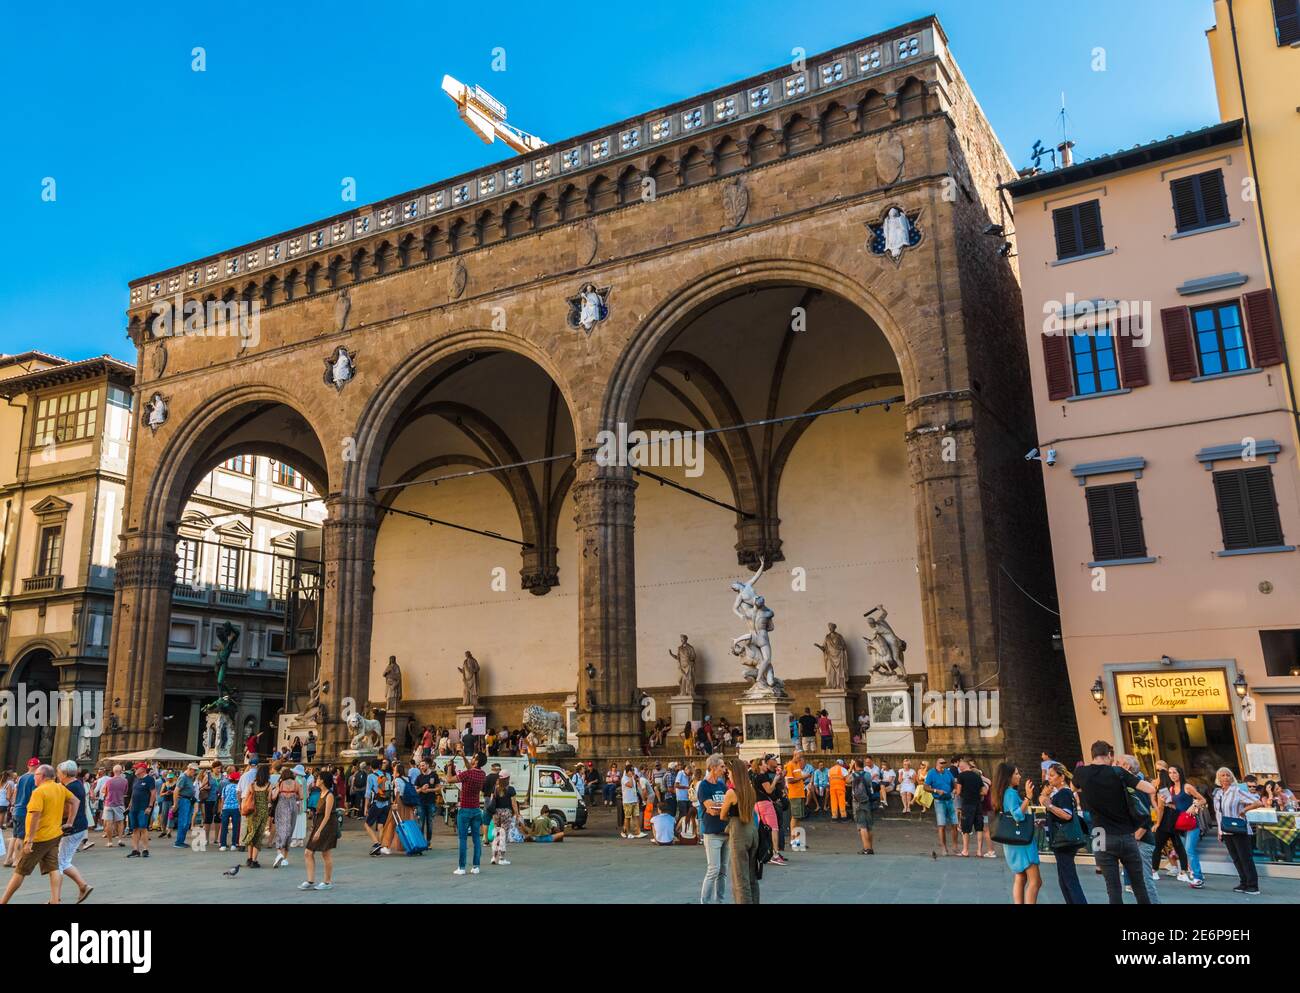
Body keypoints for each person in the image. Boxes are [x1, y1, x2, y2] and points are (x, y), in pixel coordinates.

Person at [1072, 740, 1157, 904]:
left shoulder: (1081, 773)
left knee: (1113, 888)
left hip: (1100, 834)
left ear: (1093, 755)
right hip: (1125, 833)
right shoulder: (1118, 772)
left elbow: (1074, 787)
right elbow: (1150, 789)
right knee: (1139, 885)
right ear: (1109, 754)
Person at [0, 764, 78, 905]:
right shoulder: (59, 787)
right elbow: (75, 801)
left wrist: (29, 840)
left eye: (35, 775)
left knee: (20, 870)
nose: (33, 777)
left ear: (42, 776)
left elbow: (35, 816)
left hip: (39, 837)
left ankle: (3, 901)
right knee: (53, 868)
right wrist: (70, 822)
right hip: (55, 834)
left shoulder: (39, 792)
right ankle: (55, 900)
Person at [992, 762, 1040, 904]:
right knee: (1035, 881)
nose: (1019, 776)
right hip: (1022, 842)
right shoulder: (1010, 793)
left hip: (1012, 841)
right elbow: (1017, 815)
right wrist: (1028, 798)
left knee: (1020, 877)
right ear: (1008, 777)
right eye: (1016, 774)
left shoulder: (1003, 793)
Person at [1040, 762, 1086, 904]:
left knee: (1069, 879)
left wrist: (1049, 805)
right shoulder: (1060, 793)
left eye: (1052, 775)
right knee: (1064, 880)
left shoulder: (1064, 793)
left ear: (1061, 777)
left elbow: (1067, 815)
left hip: (1065, 841)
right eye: (1049, 775)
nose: (1049, 778)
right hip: (1061, 840)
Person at [1213, 767, 1261, 895]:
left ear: (1232, 777)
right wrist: (1219, 831)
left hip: (1239, 829)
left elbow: (1257, 802)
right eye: (1222, 775)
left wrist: (1244, 810)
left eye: (1228, 775)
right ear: (1218, 778)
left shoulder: (1237, 790)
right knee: (1235, 858)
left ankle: (1253, 885)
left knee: (1245, 858)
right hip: (1226, 830)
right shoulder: (1218, 793)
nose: (1225, 778)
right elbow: (1218, 813)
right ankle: (1243, 882)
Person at [720, 757, 760, 904]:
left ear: (734, 773)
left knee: (739, 877)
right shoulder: (751, 790)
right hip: (752, 830)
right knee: (751, 875)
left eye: (729, 772)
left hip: (739, 831)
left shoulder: (731, 793)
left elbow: (723, 815)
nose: (728, 775)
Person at [52, 761, 93, 903]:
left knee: (60, 863)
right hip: (78, 827)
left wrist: (67, 821)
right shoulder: (76, 784)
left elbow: (69, 807)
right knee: (63, 861)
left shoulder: (71, 787)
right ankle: (82, 886)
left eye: (58, 772)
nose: (57, 775)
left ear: (63, 773)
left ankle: (56, 899)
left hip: (73, 828)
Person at [446, 751, 486, 874]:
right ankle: (476, 866)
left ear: (477, 761)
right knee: (476, 840)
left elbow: (449, 779)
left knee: (462, 839)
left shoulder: (467, 774)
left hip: (464, 809)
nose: (472, 758)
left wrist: (449, 768)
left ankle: (461, 867)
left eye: (473, 757)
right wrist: (463, 756)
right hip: (476, 810)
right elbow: (472, 769)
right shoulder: (482, 774)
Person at [698, 753, 730, 904]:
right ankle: (705, 901)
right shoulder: (703, 786)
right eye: (722, 766)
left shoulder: (722, 785)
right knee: (713, 870)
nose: (725, 769)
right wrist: (723, 808)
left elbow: (726, 806)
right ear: (713, 768)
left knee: (723, 871)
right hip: (712, 832)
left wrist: (721, 808)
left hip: (726, 831)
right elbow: (711, 809)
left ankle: (720, 901)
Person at [300, 769, 337, 891]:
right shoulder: (321, 793)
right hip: (318, 824)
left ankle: (327, 881)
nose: (316, 780)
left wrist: (319, 830)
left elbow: (327, 816)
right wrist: (315, 826)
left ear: (323, 781)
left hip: (327, 826)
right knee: (308, 852)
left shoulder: (329, 795)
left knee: (325, 853)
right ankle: (310, 880)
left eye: (318, 778)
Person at [954, 757, 988, 857]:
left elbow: (959, 791)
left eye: (960, 765)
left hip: (967, 804)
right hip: (977, 804)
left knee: (966, 829)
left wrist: (957, 792)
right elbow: (984, 791)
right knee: (979, 828)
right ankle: (979, 851)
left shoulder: (961, 776)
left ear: (963, 766)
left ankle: (965, 850)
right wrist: (976, 793)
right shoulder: (977, 776)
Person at [924, 757, 958, 854]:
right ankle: (943, 847)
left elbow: (954, 781)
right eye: (941, 763)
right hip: (939, 800)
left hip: (949, 799)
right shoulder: (931, 773)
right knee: (941, 825)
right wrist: (936, 790)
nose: (943, 765)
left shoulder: (947, 772)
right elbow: (925, 787)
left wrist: (955, 789)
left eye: (944, 763)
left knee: (955, 824)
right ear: (937, 764)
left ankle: (955, 846)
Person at [271, 762, 301, 867]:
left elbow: (273, 797)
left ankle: (279, 853)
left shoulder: (280, 784)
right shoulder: (296, 783)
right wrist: (293, 795)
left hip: (282, 807)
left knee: (281, 829)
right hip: (293, 807)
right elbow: (301, 796)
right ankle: (285, 858)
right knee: (289, 831)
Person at [486, 772, 518, 866]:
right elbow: (514, 803)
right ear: (507, 778)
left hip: (496, 813)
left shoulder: (495, 789)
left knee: (497, 834)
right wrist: (517, 814)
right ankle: (501, 858)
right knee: (503, 835)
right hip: (506, 813)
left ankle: (493, 857)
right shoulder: (511, 789)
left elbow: (492, 802)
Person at [126, 762, 156, 859]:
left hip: (143, 808)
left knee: (143, 828)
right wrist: (130, 804)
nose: (135, 770)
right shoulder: (136, 779)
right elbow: (134, 793)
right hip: (133, 808)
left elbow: (153, 793)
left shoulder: (149, 779)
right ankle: (135, 850)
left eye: (136, 768)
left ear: (142, 769)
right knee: (134, 829)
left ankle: (145, 849)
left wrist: (150, 806)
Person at [363, 762, 392, 855]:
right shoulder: (387, 775)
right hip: (386, 803)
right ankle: (380, 847)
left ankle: (376, 844)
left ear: (371, 767)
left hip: (377, 803)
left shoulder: (371, 776)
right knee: (380, 826)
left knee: (367, 825)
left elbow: (368, 793)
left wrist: (365, 807)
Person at [849, 759, 875, 854]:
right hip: (867, 801)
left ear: (856, 765)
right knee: (869, 826)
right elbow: (869, 785)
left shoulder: (853, 775)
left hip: (857, 802)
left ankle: (866, 849)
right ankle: (870, 847)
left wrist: (851, 768)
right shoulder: (867, 774)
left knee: (861, 825)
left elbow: (846, 781)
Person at [101, 764, 127, 849]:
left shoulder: (109, 781)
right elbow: (125, 792)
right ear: (121, 771)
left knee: (109, 823)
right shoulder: (125, 781)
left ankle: (110, 842)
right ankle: (120, 839)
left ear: (113, 771)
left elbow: (104, 791)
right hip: (119, 803)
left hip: (108, 803)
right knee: (120, 822)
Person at [784, 750, 808, 838]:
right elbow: (790, 780)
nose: (801, 758)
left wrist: (803, 778)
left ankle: (797, 838)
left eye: (801, 756)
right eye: (799, 756)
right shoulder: (790, 765)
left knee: (798, 817)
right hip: (795, 794)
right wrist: (803, 777)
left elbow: (797, 778)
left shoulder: (797, 764)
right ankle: (793, 839)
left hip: (800, 793)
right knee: (795, 817)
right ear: (795, 755)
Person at [219, 768, 242, 851]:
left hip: (226, 808)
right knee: (235, 827)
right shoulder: (239, 788)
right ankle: (234, 844)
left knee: (224, 827)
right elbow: (240, 798)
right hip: (236, 808)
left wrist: (221, 809)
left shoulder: (225, 787)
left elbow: (222, 799)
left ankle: (223, 845)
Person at [620, 763, 644, 839]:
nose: (633, 772)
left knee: (636, 816)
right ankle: (626, 832)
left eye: (633, 770)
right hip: (627, 801)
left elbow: (635, 788)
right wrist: (631, 777)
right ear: (627, 771)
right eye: (631, 770)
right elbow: (630, 785)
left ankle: (638, 832)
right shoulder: (624, 779)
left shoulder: (632, 778)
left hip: (634, 800)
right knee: (628, 817)